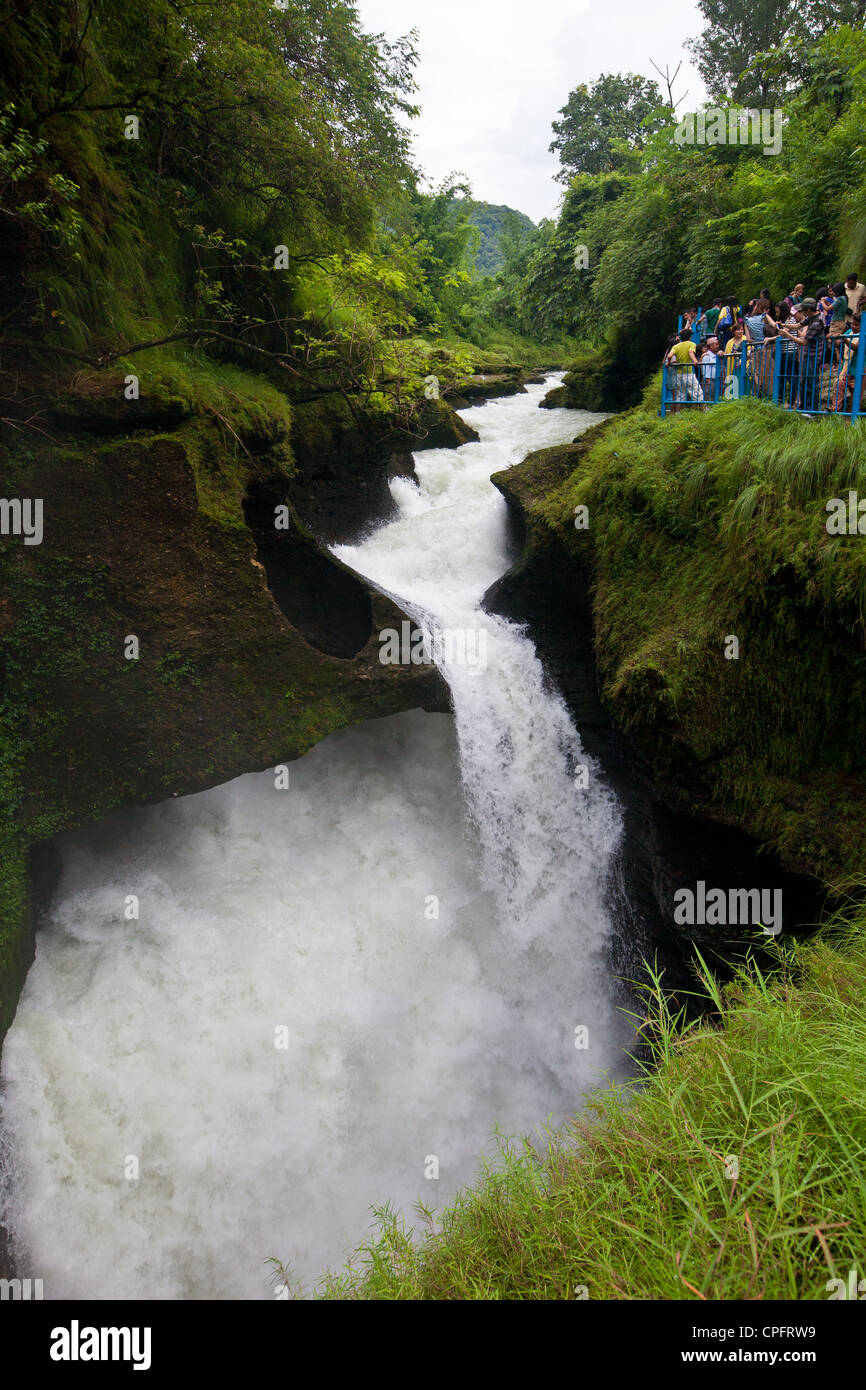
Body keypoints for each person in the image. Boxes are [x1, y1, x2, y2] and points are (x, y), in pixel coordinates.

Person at [779, 297, 825, 411]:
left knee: (811, 382)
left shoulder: (817, 322)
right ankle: (803, 407)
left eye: (803, 310)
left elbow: (804, 341)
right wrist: (784, 325)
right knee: (804, 381)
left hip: (814, 355)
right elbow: (798, 325)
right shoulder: (811, 317)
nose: (802, 313)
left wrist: (788, 335)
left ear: (808, 310)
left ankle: (811, 409)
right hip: (807, 354)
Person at [744, 297, 776, 396]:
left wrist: (756, 340)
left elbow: (748, 339)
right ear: (764, 308)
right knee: (768, 374)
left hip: (756, 349)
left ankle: (758, 394)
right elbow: (775, 325)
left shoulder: (747, 320)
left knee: (757, 373)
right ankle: (770, 396)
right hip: (768, 349)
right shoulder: (764, 316)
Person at [665, 328, 702, 410]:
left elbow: (669, 356)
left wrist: (668, 363)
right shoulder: (692, 344)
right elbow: (690, 352)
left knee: (680, 395)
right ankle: (703, 410)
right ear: (689, 337)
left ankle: (677, 413)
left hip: (678, 374)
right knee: (697, 392)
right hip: (688, 373)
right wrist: (695, 361)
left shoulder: (676, 346)